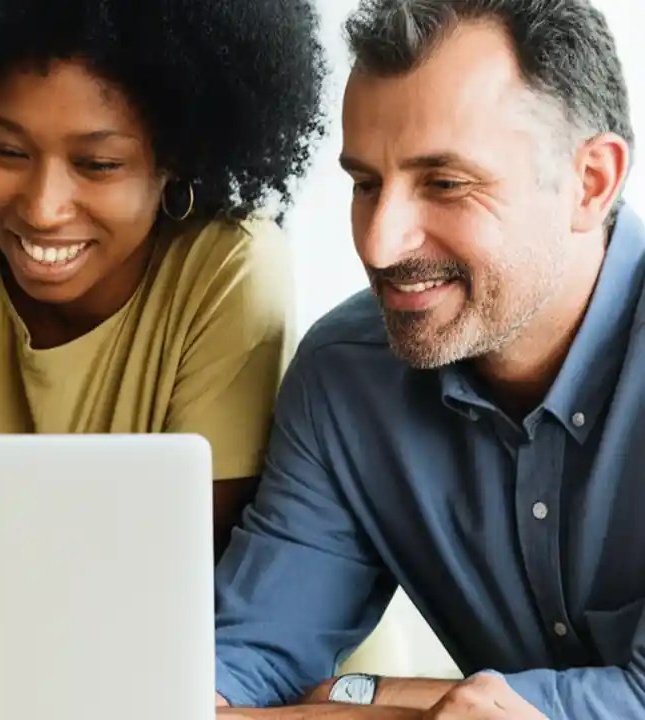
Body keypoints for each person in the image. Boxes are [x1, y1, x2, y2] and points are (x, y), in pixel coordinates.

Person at [211, 0, 637, 718]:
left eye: (445, 184)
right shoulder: (346, 379)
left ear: (590, 181)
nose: (379, 244)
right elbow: (247, 662)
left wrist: (386, 698)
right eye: (365, 184)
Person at [0, 0, 327, 556]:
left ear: (175, 158)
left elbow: (188, 570)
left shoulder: (228, 269)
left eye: (98, 164)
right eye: (6, 151)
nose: (43, 208)